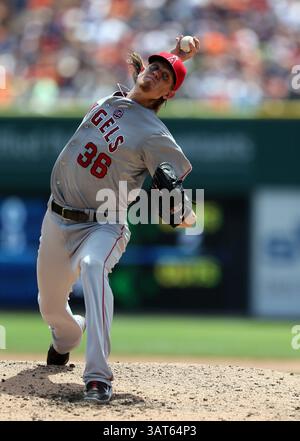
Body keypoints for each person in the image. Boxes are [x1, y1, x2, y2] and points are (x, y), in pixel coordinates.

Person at [37, 35, 200, 404]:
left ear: (168, 95)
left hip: (103, 224)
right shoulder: (112, 99)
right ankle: (68, 335)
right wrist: (178, 55)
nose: (156, 74)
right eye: (154, 68)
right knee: (51, 310)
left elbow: (180, 207)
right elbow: (160, 68)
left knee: (94, 266)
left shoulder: (155, 135)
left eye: (165, 78)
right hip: (56, 216)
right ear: (143, 69)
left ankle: (98, 378)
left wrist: (181, 213)